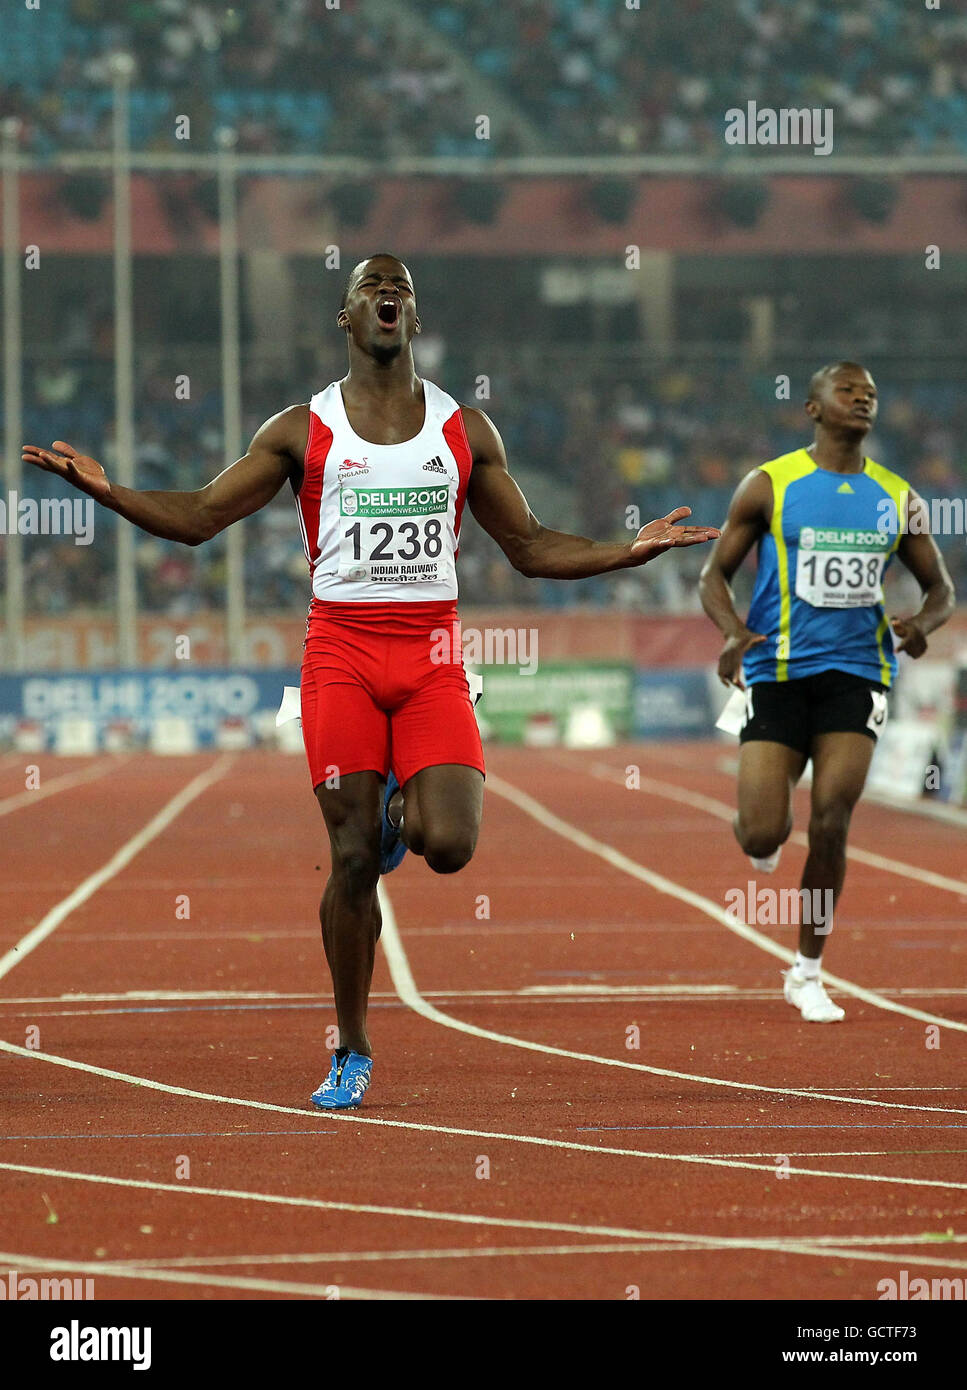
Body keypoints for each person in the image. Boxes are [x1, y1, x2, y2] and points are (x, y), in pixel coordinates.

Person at [23, 252, 720, 1106]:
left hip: (430, 656)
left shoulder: (465, 431)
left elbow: (532, 548)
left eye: (401, 287)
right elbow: (203, 516)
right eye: (369, 285)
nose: (387, 293)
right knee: (349, 858)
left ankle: (398, 812)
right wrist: (110, 493)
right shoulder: (299, 431)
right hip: (341, 655)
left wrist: (628, 548)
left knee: (451, 845)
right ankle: (351, 1046)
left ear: (413, 319)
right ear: (346, 319)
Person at [699, 362, 954, 1022]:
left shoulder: (895, 496)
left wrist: (922, 625)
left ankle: (806, 970)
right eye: (847, 391)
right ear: (812, 409)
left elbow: (940, 589)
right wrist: (731, 632)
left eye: (870, 391)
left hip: (856, 673)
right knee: (762, 831)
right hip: (776, 671)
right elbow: (712, 576)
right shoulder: (769, 485)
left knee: (832, 818)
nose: (862, 398)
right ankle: (759, 844)